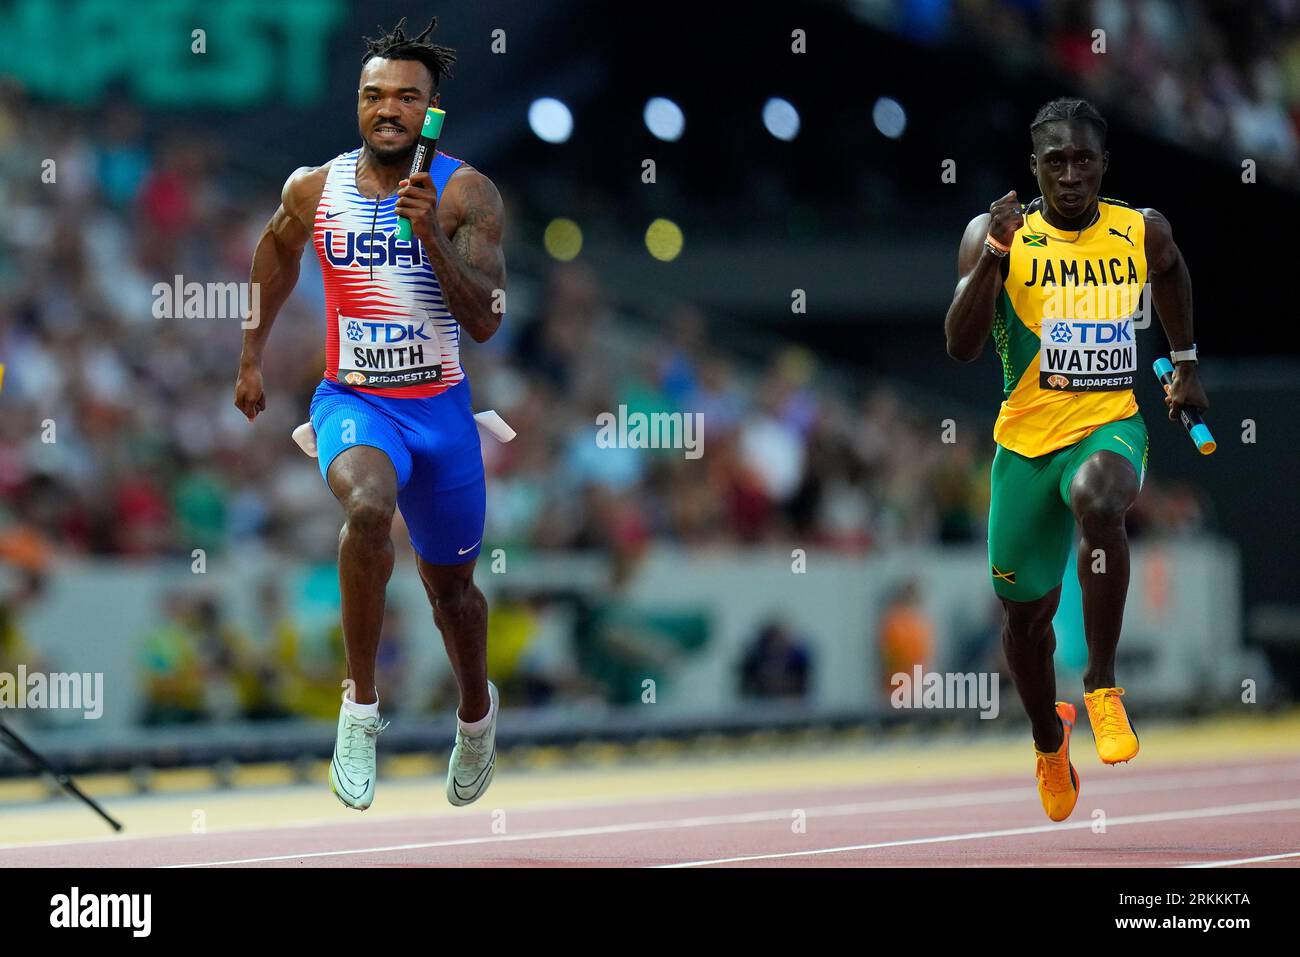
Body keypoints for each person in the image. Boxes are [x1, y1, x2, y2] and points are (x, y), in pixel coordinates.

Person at [234, 18, 506, 811]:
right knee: (366, 508)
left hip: (441, 411)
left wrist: (432, 238)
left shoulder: (463, 193)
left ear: (431, 110)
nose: (387, 109)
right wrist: (251, 355)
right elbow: (277, 253)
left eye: (406, 97)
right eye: (373, 94)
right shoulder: (314, 188)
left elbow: (487, 317)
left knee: (452, 591)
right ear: (358, 103)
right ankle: (359, 709)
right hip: (354, 399)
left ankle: (476, 714)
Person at [944, 97, 1209, 822]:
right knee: (1024, 618)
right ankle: (1046, 734)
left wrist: (1183, 363)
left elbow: (1174, 272)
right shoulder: (998, 234)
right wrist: (995, 256)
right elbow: (961, 345)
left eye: (1082, 160)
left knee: (1103, 499)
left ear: (1102, 166)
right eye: (1054, 161)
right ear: (1034, 167)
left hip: (1109, 425)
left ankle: (1101, 684)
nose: (1069, 174)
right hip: (1026, 444)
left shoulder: (1140, 229)